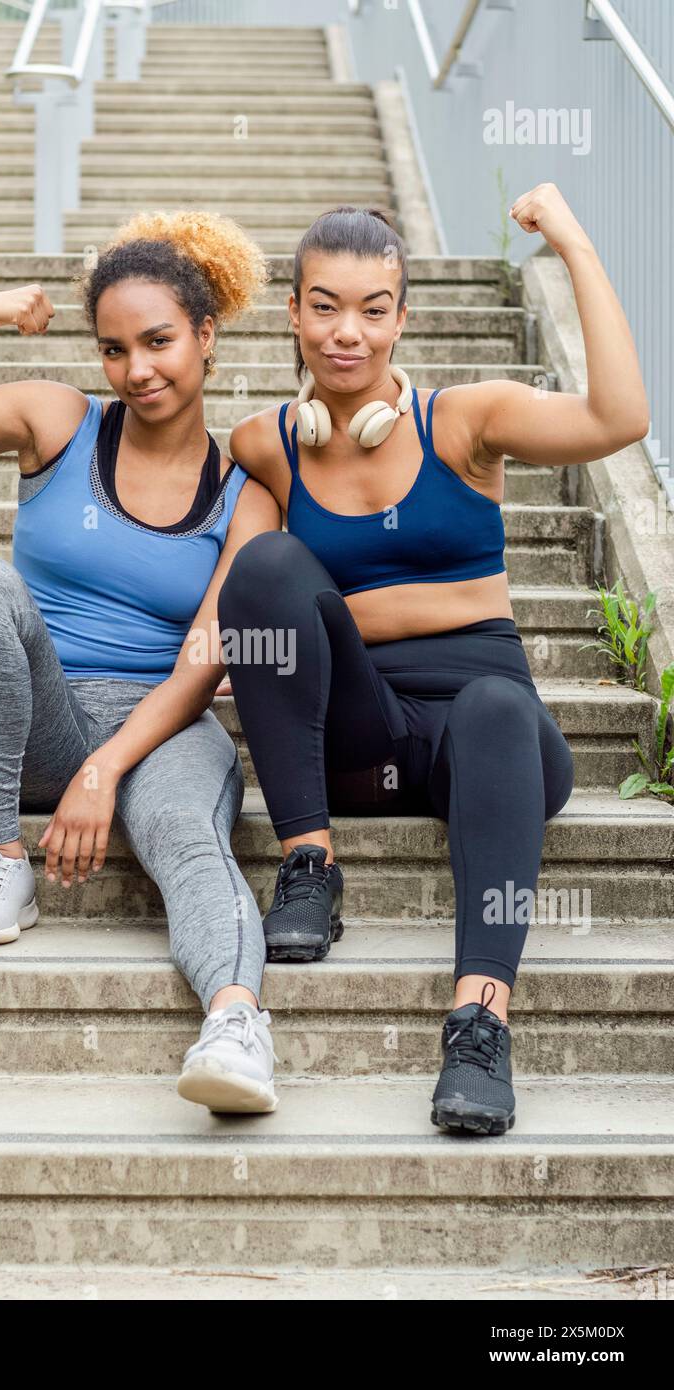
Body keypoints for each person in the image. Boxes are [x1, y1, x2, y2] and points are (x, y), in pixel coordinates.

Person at [218, 185, 650, 1135]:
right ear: (292, 312)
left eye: (373, 311)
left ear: (403, 318)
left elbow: (619, 418)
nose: (347, 334)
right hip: (360, 736)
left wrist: (573, 241)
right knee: (268, 564)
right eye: (324, 306)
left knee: (496, 705)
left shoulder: (465, 421)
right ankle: (308, 863)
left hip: (489, 745)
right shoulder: (272, 444)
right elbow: (235, 610)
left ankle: (479, 1025)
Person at [0, 210, 284, 1116]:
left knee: (190, 843)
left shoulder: (246, 493)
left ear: (205, 336)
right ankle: (3, 857)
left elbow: (204, 663)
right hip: (41, 712)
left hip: (163, 726)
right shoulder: (60, 419)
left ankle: (237, 1027)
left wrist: (105, 768)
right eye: (115, 349)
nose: (138, 370)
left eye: (159, 341)